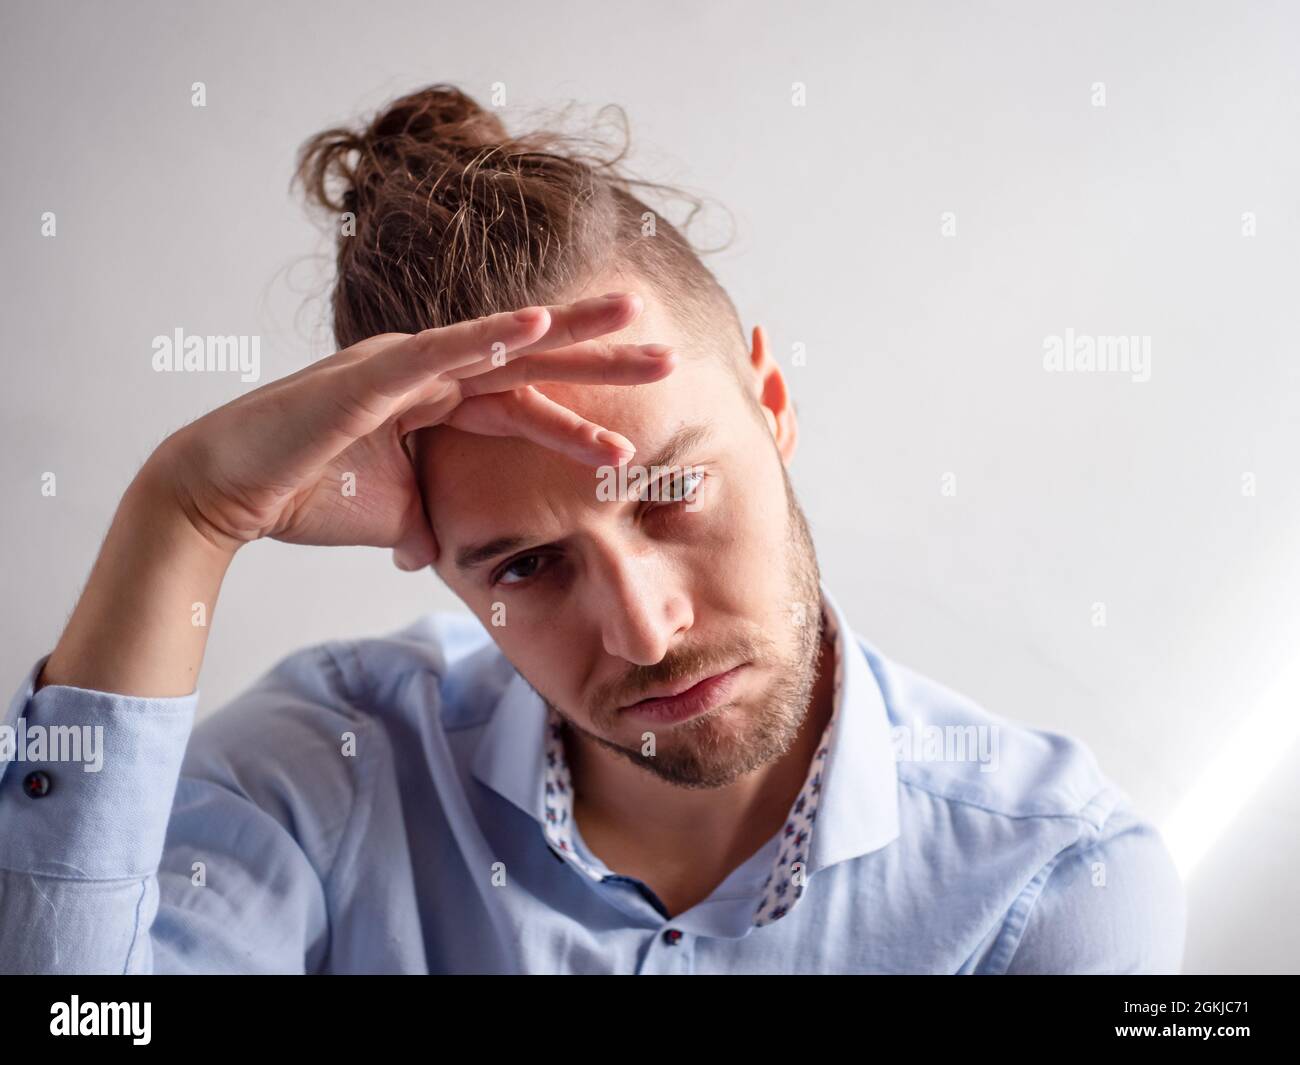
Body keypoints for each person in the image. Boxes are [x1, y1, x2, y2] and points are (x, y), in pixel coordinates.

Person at [0, 84, 1185, 974]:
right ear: (435, 558)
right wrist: (187, 515)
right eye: (527, 564)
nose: (641, 629)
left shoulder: (1049, 886)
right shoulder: (327, 771)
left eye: (669, 493)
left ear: (770, 404)